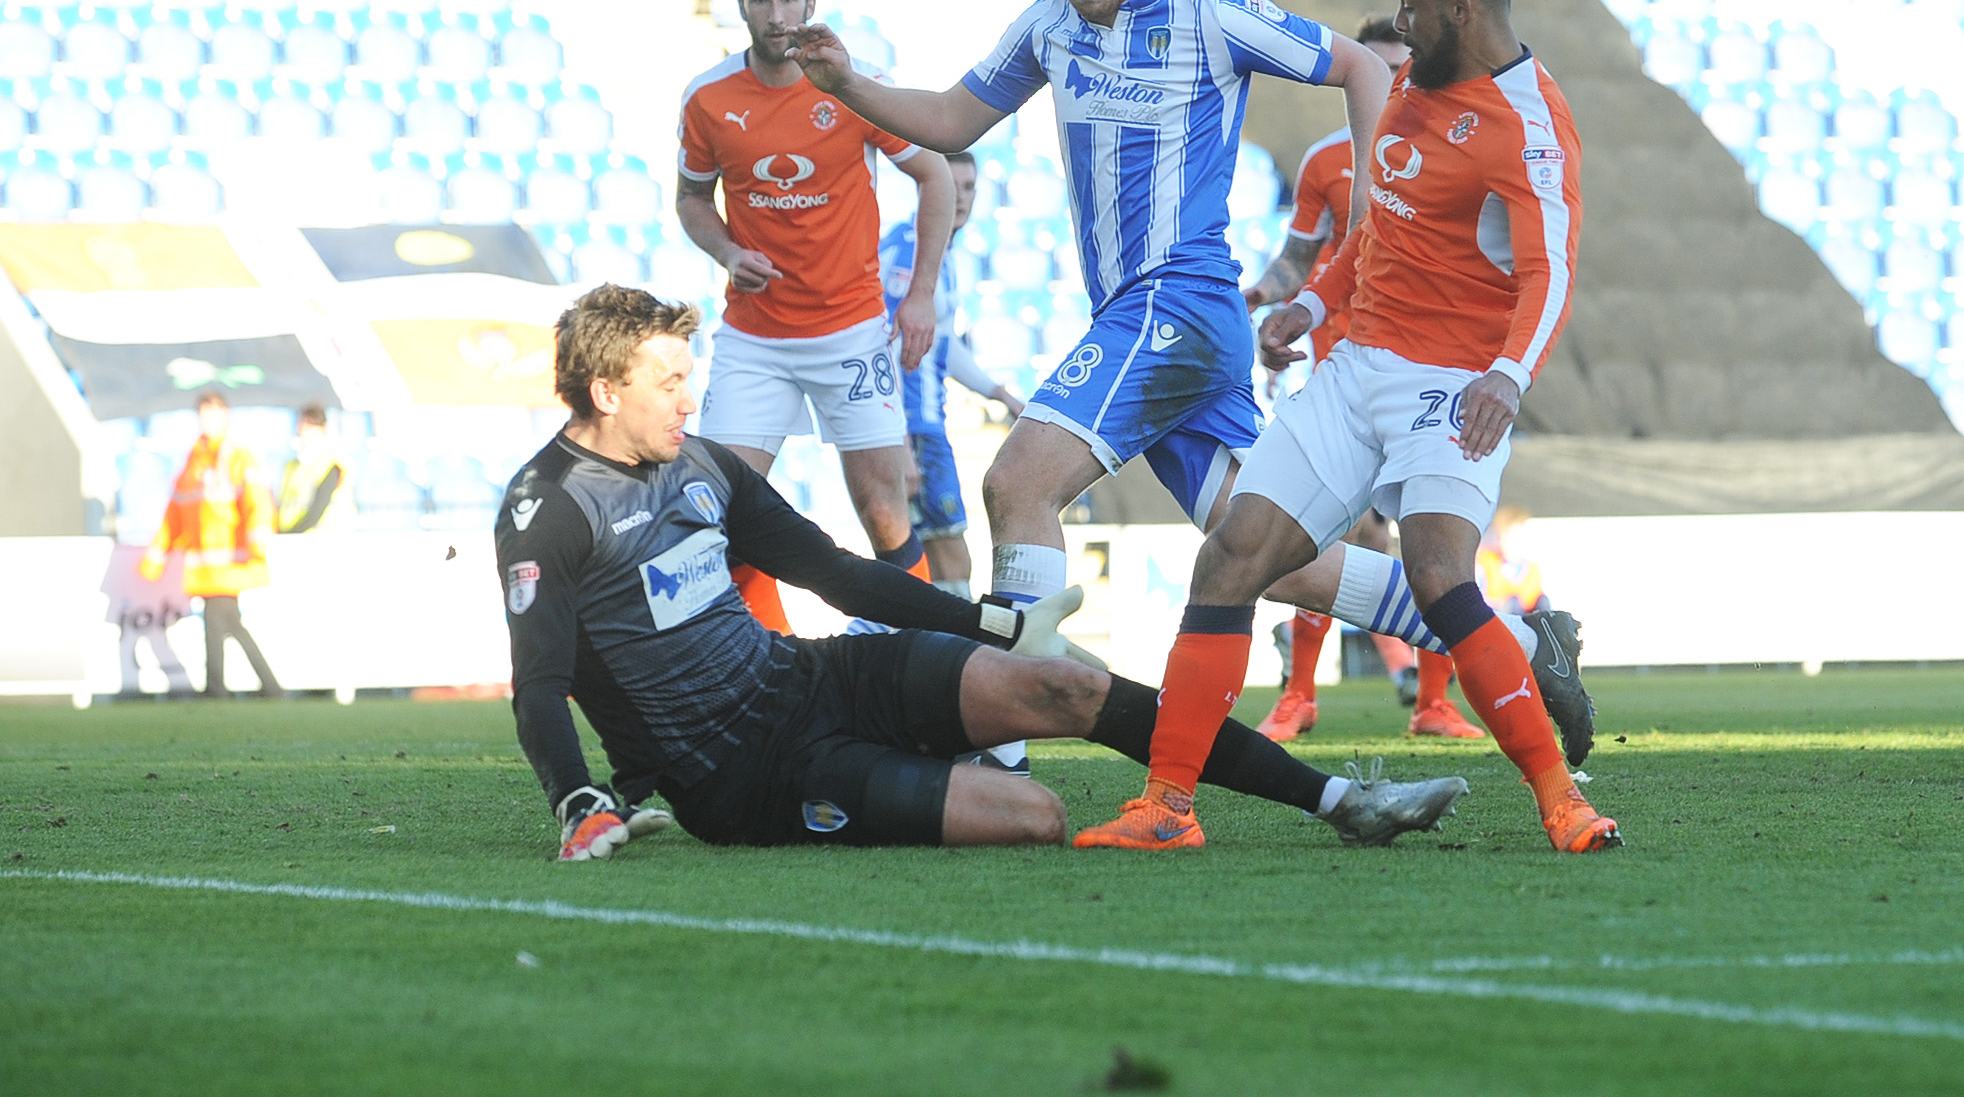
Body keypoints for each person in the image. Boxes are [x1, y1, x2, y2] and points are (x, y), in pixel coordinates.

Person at [497, 283, 1471, 858]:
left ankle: (1343, 803)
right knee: (1034, 815)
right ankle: (911, 769)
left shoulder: (699, 464)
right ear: (604, 388)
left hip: (814, 678)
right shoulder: (550, 510)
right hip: (740, 774)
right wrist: (580, 801)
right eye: (669, 383)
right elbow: (540, 683)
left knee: (1065, 681)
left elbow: (839, 574)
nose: (689, 396)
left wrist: (993, 627)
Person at [1077, 0, 1618, 854]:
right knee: (1232, 556)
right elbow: (1380, 230)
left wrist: (1508, 374)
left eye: (1410, 1)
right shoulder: (1413, 83)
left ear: (1461, 7)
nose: (1398, 20)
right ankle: (1166, 807)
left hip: (1451, 385)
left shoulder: (1530, 127)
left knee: (1440, 576)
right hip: (1354, 368)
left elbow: (1551, 273)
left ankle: (1562, 801)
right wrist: (1314, 309)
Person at [782, 0, 1404, 634]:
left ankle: (1004, 739)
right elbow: (951, 120)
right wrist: (847, 87)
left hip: (1175, 299)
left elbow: (1359, 68)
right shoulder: (1049, 26)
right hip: (1157, 321)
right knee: (1270, 556)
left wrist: (1376, 211)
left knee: (1018, 485)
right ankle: (1503, 636)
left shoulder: (1211, 19)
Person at [677, 0, 956, 634]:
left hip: (851, 330)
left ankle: (919, 659)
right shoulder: (709, 100)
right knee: (723, 508)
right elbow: (690, 200)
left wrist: (920, 295)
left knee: (885, 511)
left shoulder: (849, 85)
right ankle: (770, 670)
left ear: (810, 3)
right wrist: (726, 249)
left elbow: (937, 176)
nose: (776, 14)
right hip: (754, 338)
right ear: (740, 6)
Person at [1247, 17, 1482, 744]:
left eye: (1397, 69)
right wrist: (1258, 296)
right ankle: (1300, 695)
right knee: (1324, 532)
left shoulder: (1453, 152)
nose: (1386, 85)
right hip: (1338, 367)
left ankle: (1432, 703)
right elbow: (1300, 257)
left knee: (1429, 538)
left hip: (1420, 370)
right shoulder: (1326, 160)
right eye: (1372, 72)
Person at [877, 150, 1024, 600]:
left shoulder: (943, 251)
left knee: (929, 557)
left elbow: (941, 341)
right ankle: (959, 658)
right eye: (949, 186)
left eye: (968, 188)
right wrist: (898, 437)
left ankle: (936, 655)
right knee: (949, 555)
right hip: (912, 427)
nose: (960, 199)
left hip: (923, 423)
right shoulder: (909, 249)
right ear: (926, 189)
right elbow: (882, 341)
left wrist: (999, 393)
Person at [138, 390, 282, 698]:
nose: (208, 421)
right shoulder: (193, 462)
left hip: (231, 561)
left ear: (226, 415)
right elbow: (174, 515)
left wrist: (257, 547)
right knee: (226, 622)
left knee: (220, 621)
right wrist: (155, 556)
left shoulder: (238, 456)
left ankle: (221, 688)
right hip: (204, 565)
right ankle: (260, 688)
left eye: (214, 414)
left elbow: (258, 504)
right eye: (204, 414)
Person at [276, 403, 349, 533]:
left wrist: (290, 534)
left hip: (320, 540)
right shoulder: (292, 466)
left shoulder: (332, 464)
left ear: (323, 429)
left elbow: (318, 510)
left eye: (310, 426)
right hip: (292, 538)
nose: (304, 431)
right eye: (302, 424)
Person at [1478, 504, 1548, 615]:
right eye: (1506, 536)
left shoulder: (1532, 569)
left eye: (1516, 537)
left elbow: (1535, 602)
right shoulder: (1486, 563)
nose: (1510, 543)